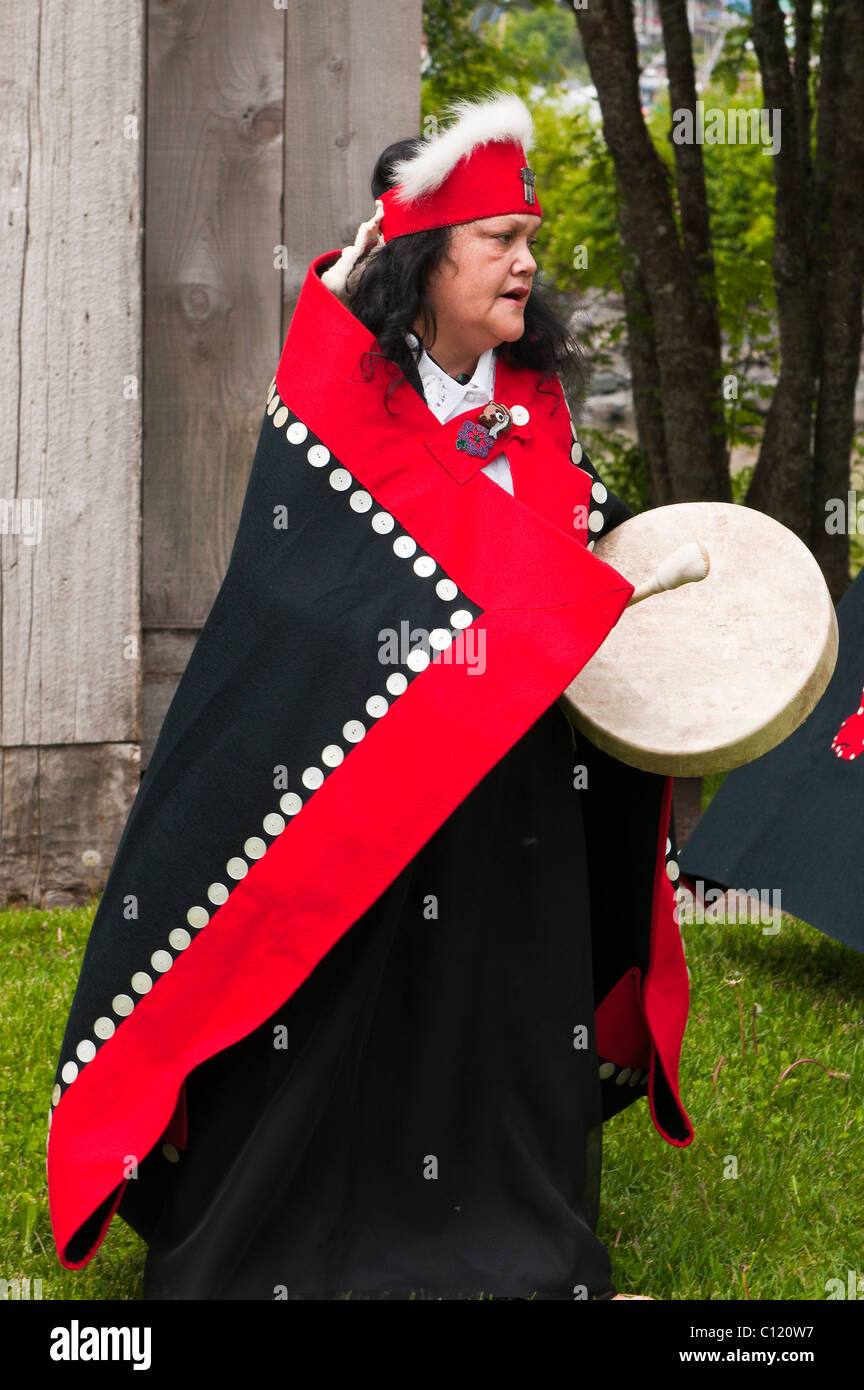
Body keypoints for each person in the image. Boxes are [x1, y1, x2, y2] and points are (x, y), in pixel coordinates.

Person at [46, 90, 691, 1301]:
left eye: (530, 238)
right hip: (355, 809)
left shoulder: (540, 413)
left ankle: (506, 1225)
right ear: (424, 253)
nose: (526, 261)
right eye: (499, 235)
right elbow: (300, 613)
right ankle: (293, 1227)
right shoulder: (336, 423)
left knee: (500, 1005)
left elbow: (567, 580)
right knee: (331, 1014)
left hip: (511, 813)